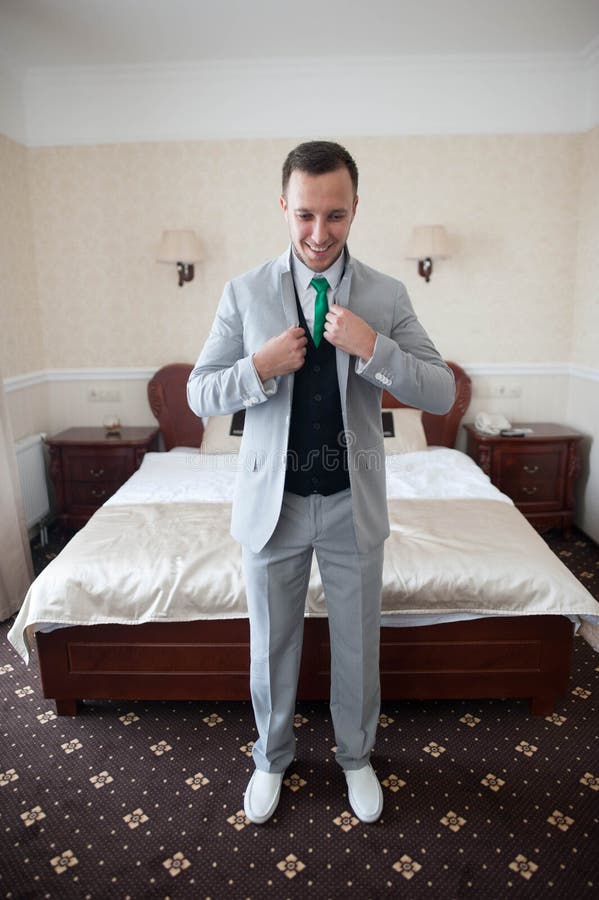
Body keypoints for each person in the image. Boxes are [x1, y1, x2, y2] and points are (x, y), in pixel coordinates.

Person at [187, 141, 455, 825]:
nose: (317, 233)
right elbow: (199, 395)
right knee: (271, 645)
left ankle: (356, 757)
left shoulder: (386, 295)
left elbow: (440, 390)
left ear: (355, 209)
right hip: (270, 508)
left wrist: (373, 348)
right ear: (283, 206)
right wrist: (258, 366)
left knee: (357, 644)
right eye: (304, 214)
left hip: (350, 503)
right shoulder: (242, 293)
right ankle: (270, 758)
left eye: (335, 216)